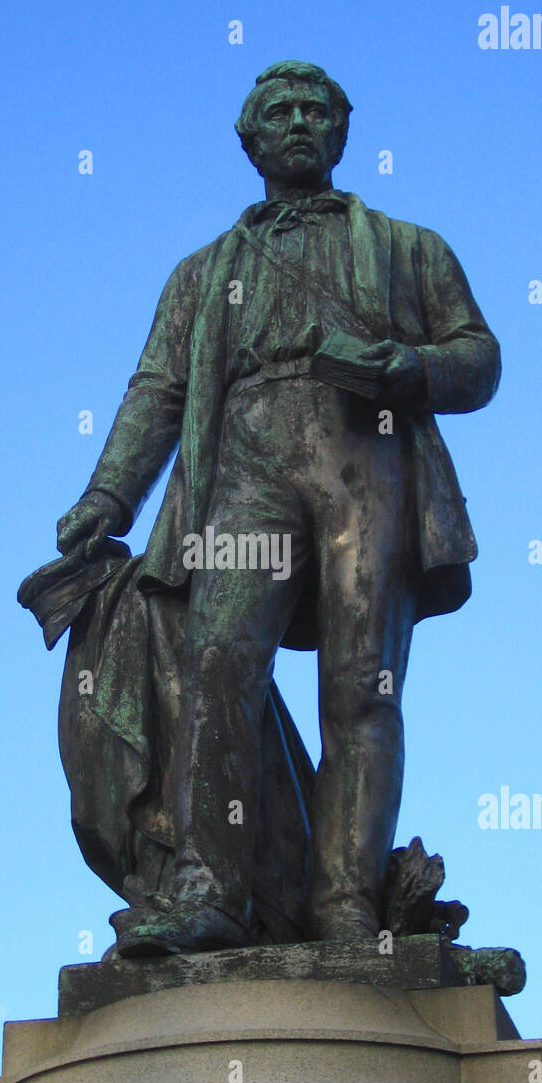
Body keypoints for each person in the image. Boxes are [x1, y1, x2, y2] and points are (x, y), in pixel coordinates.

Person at [55, 61, 500, 956]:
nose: (297, 122)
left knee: (360, 689)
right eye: (277, 112)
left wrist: (402, 368)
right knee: (218, 664)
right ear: (248, 139)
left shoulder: (411, 249)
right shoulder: (201, 273)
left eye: (315, 110)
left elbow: (477, 357)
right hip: (244, 462)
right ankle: (208, 891)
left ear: (341, 131)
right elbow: (157, 388)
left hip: (364, 452)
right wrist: (108, 494)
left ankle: (345, 909)